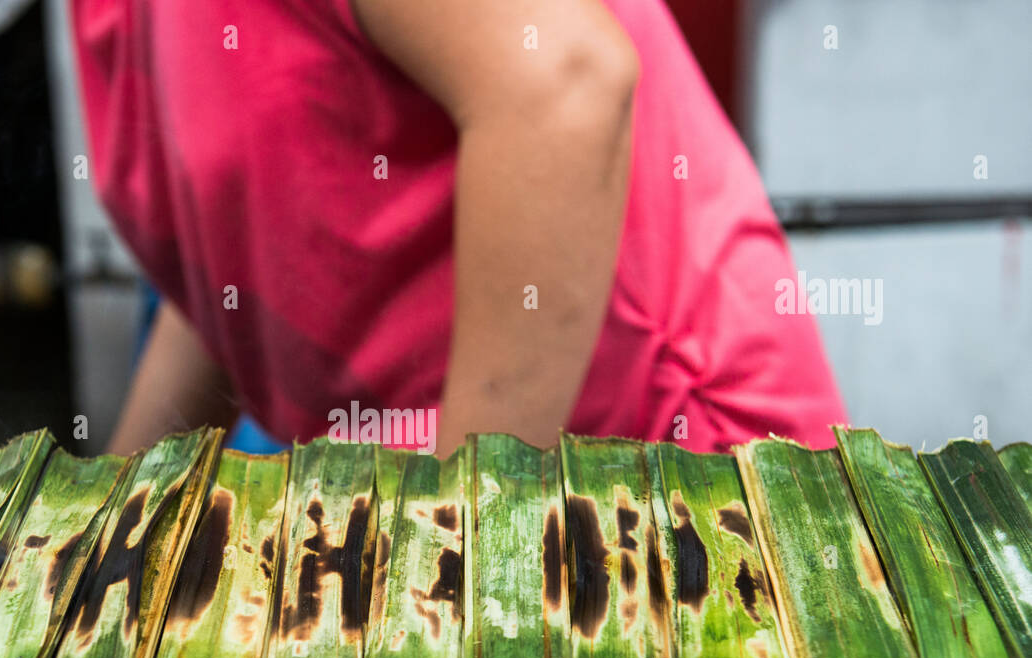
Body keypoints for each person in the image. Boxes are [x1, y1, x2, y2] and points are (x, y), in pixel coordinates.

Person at [72, 0, 847, 458]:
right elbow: (230, 263)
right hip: (451, 489)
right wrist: (111, 539)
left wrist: (455, 567)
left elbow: (564, 86)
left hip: (673, 484)